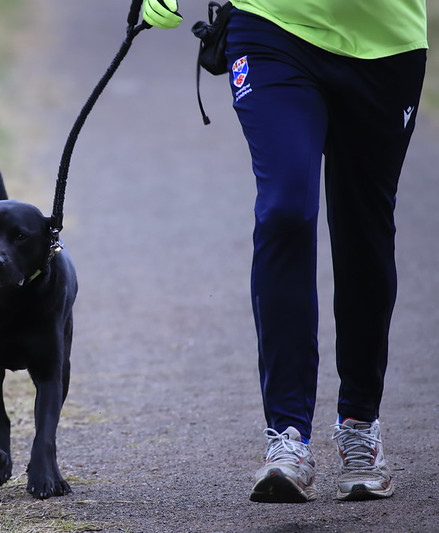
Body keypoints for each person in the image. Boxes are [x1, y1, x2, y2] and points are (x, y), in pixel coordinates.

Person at [141, 0, 428, 502]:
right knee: (285, 209)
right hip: (271, 24)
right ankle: (287, 438)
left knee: (364, 228)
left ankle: (360, 425)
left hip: (387, 44)